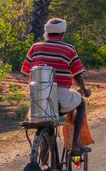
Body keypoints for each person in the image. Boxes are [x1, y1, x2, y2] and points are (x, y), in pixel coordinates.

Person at [21, 17, 92, 153]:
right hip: (60, 95)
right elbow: (77, 75)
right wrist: (84, 90)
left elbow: (25, 71)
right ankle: (75, 143)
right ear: (62, 34)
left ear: (47, 33)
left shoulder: (35, 47)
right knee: (81, 104)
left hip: (38, 98)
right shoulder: (69, 49)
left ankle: (42, 154)